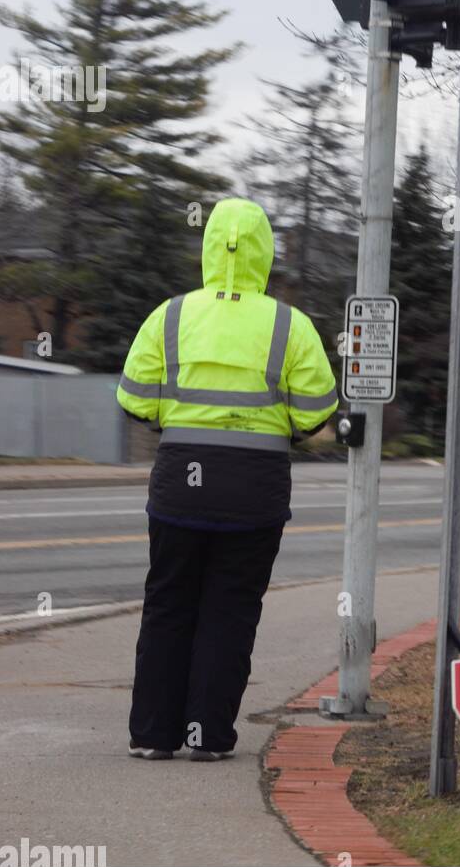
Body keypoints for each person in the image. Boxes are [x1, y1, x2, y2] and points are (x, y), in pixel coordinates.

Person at [116, 198, 338, 761]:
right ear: (266, 254)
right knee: (230, 610)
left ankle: (151, 735)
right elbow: (315, 415)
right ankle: (207, 737)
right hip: (253, 490)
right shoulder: (289, 324)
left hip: (178, 484)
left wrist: (178, 411)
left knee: (168, 604)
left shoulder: (170, 316)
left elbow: (134, 399)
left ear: (209, 248)